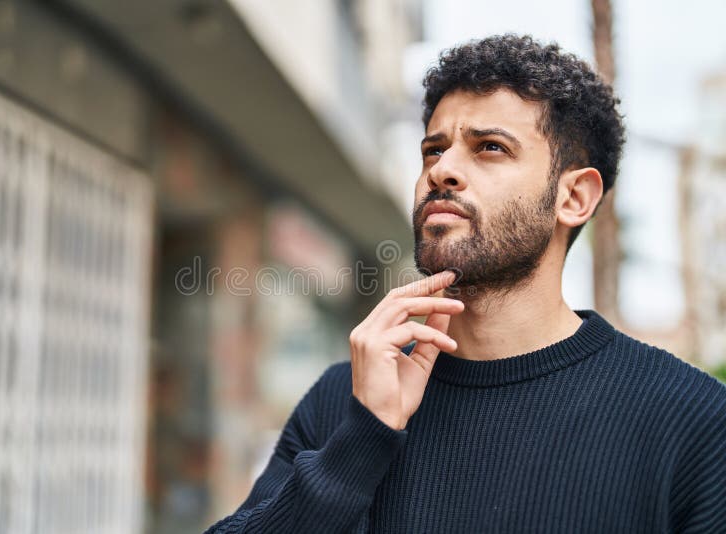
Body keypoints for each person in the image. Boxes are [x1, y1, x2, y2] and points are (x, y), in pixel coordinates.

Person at [204, 34, 726, 533]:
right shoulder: (347, 399)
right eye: (433, 150)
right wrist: (363, 439)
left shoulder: (692, 422)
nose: (442, 170)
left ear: (574, 198)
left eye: (491, 148)